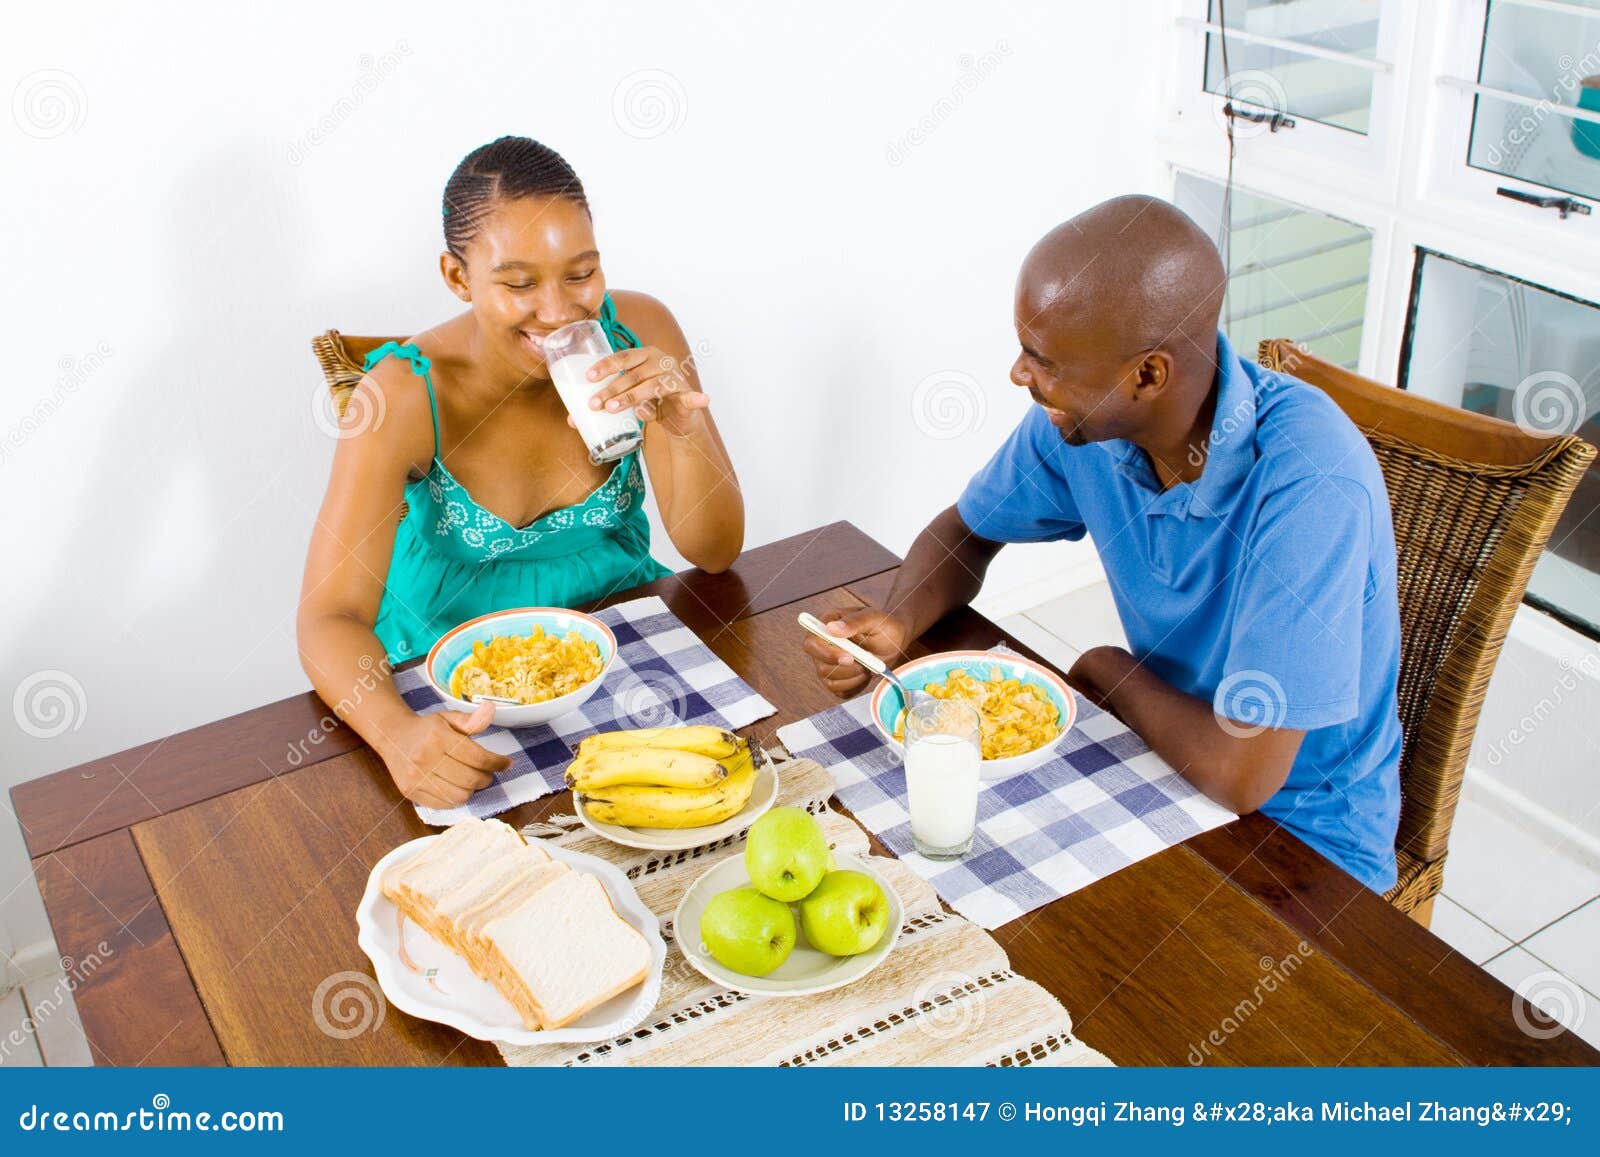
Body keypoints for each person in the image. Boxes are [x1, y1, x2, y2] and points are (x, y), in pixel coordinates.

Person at [803, 195, 1403, 892]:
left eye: (1043, 359)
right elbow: (966, 530)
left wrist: (1108, 668)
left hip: (1300, 850)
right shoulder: (1085, 425)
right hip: (1155, 758)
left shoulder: (1309, 480)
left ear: (1147, 375)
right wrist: (899, 618)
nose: (1019, 375)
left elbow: (1243, 775)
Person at [298, 136, 744, 809]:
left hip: (620, 656)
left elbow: (713, 552)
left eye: (581, 272)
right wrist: (397, 739)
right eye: (519, 283)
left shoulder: (640, 329)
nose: (560, 308)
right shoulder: (400, 397)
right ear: (457, 277)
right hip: (456, 691)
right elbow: (328, 616)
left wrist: (681, 433)